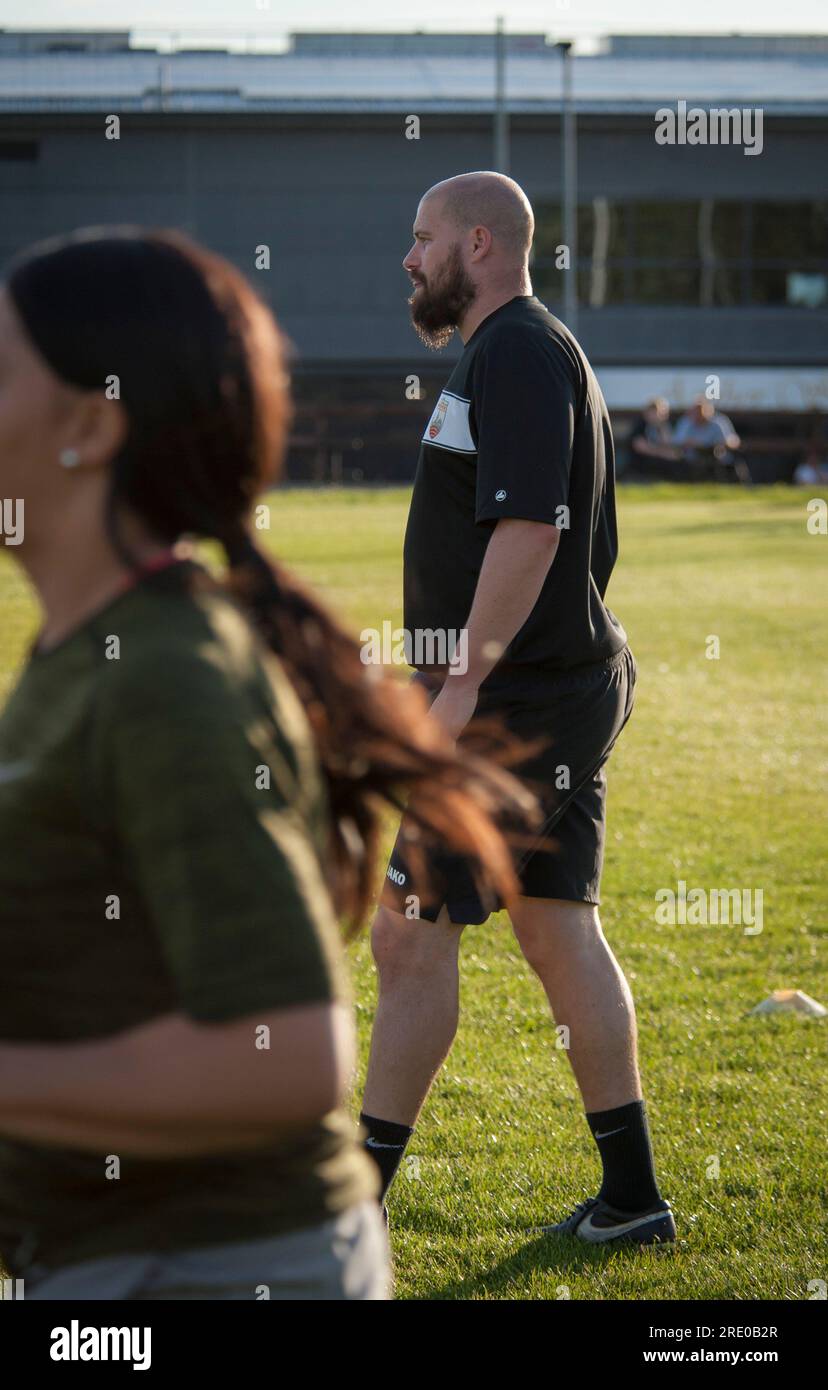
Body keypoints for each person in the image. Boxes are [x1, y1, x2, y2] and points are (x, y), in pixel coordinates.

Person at [0, 226, 533, 1299]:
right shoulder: (86, 648)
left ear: (87, 425)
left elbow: (282, 1056)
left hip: (202, 1271)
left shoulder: (165, 676)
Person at [359, 172, 675, 1246]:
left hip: (515, 707)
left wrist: (458, 688)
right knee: (553, 927)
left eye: (421, 238)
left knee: (408, 933)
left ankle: (349, 1213)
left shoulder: (520, 352)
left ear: (478, 242)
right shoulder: (500, 353)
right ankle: (632, 1198)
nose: (409, 258)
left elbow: (531, 533)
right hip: (539, 693)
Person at [672, 398, 747, 480]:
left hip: (716, 457)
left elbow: (731, 441)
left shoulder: (719, 422)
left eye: (701, 411)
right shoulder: (686, 422)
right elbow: (677, 442)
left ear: (710, 411)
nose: (698, 414)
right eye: (695, 411)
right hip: (691, 458)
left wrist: (725, 443)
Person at [626, 397, 682, 480]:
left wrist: (661, 428)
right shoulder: (640, 425)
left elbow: (668, 444)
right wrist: (665, 454)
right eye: (658, 412)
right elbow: (641, 448)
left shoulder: (663, 426)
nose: (662, 415)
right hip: (642, 464)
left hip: (658, 460)